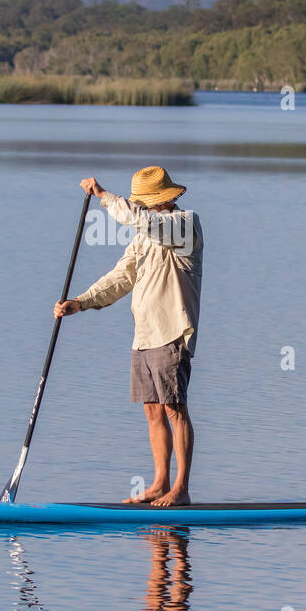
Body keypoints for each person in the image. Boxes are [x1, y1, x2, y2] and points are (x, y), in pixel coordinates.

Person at [54, 167, 203, 507]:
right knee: (153, 411)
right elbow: (122, 276)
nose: (145, 209)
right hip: (144, 333)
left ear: (163, 200)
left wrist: (104, 196)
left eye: (147, 203)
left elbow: (144, 222)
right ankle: (159, 482)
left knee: (175, 408)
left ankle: (181, 488)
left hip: (172, 331)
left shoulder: (185, 225)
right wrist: (81, 302)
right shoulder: (144, 235)